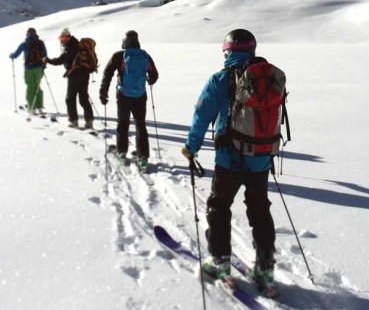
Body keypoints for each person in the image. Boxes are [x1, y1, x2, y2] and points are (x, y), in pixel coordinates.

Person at [180, 29, 278, 296]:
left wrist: (191, 148)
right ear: (252, 50)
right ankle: (265, 270)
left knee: (219, 206)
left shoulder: (219, 79)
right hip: (261, 157)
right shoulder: (268, 78)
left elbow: (201, 115)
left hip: (229, 158)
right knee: (260, 210)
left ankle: (220, 262)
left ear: (227, 52)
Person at [99, 30, 159, 171]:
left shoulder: (119, 55)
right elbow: (154, 75)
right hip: (140, 95)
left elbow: (108, 73)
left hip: (123, 95)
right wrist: (149, 80)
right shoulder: (145, 55)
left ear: (125, 41)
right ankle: (143, 158)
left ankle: (121, 153)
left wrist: (103, 91)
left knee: (123, 124)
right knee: (140, 125)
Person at [44, 28, 94, 129]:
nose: (61, 41)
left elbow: (59, 61)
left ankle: (73, 121)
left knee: (70, 99)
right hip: (85, 75)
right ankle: (89, 121)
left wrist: (47, 60)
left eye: (63, 38)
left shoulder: (70, 48)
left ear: (68, 37)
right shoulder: (78, 45)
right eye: (60, 39)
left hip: (75, 75)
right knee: (83, 98)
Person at [9, 27, 47, 114]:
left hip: (28, 68)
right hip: (39, 68)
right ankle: (39, 106)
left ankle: (31, 108)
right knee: (37, 87)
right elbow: (45, 55)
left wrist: (11, 55)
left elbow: (16, 55)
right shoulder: (40, 43)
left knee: (30, 88)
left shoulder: (25, 43)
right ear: (35, 33)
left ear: (27, 33)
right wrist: (43, 66)